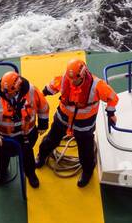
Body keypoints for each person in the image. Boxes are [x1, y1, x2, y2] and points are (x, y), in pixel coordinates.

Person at [35, 58, 118, 187]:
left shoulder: (97, 85)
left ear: (83, 73)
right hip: (62, 118)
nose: (72, 81)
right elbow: (50, 88)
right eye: (70, 78)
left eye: (75, 79)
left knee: (85, 150)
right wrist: (41, 96)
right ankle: (42, 156)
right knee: (51, 139)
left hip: (84, 125)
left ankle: (87, 171)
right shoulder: (64, 79)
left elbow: (112, 98)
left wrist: (111, 113)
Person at [0, 70, 48, 188]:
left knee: (28, 157)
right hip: (4, 137)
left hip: (27, 135)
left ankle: (31, 174)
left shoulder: (32, 91)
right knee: (2, 157)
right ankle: (2, 172)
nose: (6, 95)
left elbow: (43, 107)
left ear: (18, 88)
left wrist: (43, 124)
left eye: (10, 93)